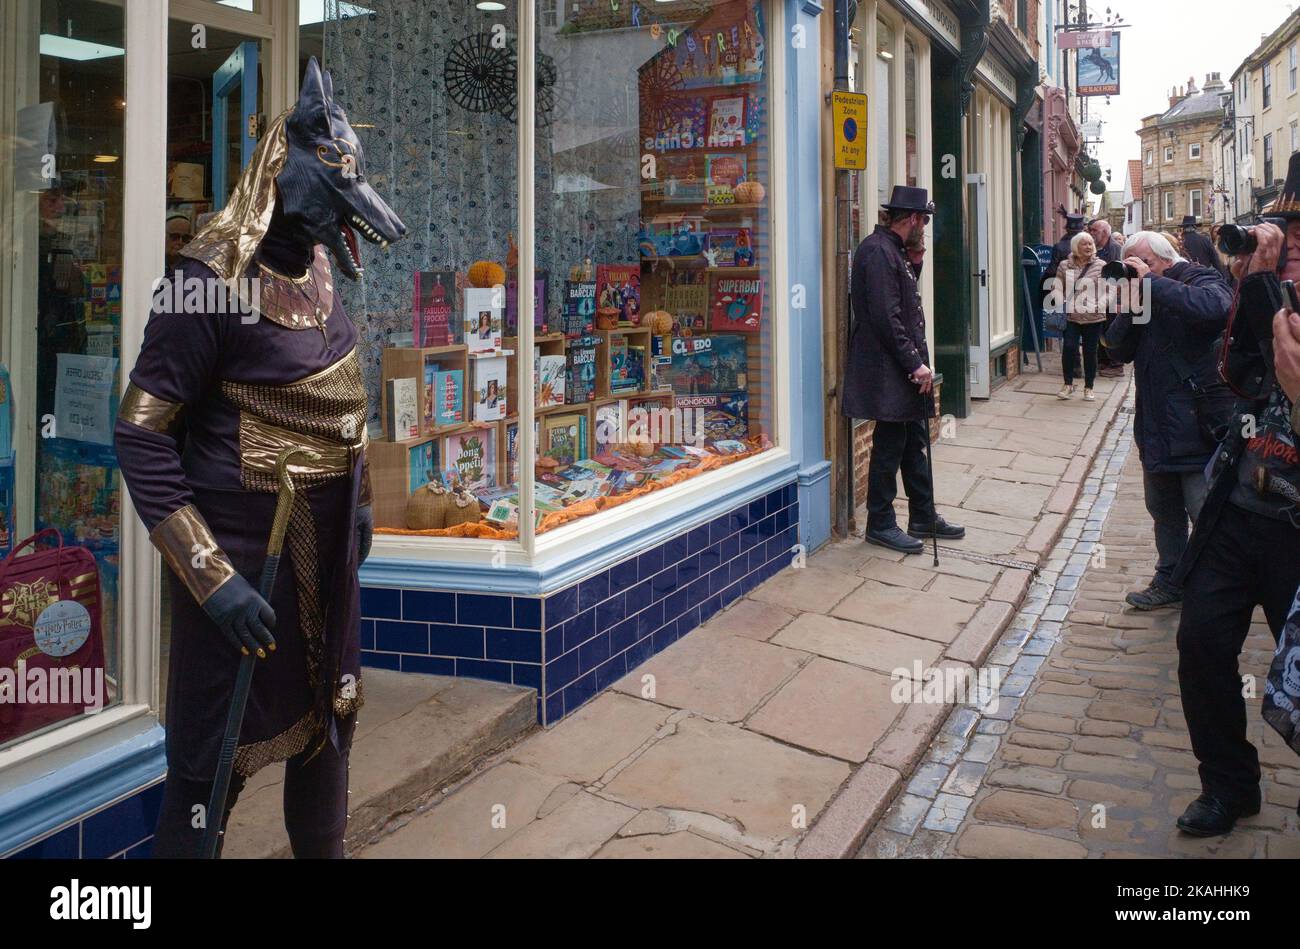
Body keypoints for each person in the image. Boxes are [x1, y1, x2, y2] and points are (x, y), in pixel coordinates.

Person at [114, 59, 407, 858]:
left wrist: (365, 509)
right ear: (286, 172)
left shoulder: (315, 267)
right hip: (247, 562)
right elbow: (141, 432)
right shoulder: (202, 280)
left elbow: (343, 399)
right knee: (210, 773)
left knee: (328, 736)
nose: (339, 226)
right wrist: (211, 576)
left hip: (327, 563)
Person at [1172, 151, 1300, 837]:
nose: (1290, 247)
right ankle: (1228, 782)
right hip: (1239, 505)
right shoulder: (1269, 291)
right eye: (1286, 234)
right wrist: (1258, 286)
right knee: (1201, 645)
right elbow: (1242, 380)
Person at [1101, 231, 1234, 611]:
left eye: (1140, 261)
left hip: (1197, 420)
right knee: (1163, 510)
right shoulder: (1142, 290)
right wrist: (1129, 303)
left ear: (1163, 258)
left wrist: (1151, 283)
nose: (1134, 269)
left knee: (1204, 511)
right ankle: (1169, 578)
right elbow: (1117, 348)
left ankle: (1218, 588)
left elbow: (1215, 309)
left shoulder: (1198, 277)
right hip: (1155, 422)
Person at [842, 185, 964, 554]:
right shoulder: (878, 252)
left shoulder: (894, 251)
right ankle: (879, 523)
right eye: (923, 221)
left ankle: (923, 515)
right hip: (887, 368)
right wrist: (916, 365)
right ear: (911, 219)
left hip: (901, 367)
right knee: (889, 446)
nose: (924, 228)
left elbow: (902, 305)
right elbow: (886, 317)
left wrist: (916, 260)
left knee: (914, 444)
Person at [1055, 231, 1107, 401]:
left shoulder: (1101, 265)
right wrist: (1060, 299)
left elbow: (1110, 290)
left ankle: (1089, 387)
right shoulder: (1064, 265)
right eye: (1084, 243)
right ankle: (1067, 384)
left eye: (1090, 243)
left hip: (1093, 316)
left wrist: (1101, 304)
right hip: (1071, 315)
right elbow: (1057, 286)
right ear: (1076, 247)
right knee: (1069, 348)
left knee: (1090, 352)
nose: (1088, 246)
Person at [1181, 214, 1228, 280]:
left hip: (1185, 279)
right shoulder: (1204, 240)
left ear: (1183, 228)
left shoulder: (1179, 242)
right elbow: (1215, 260)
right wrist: (1223, 277)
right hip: (1205, 277)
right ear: (1195, 227)